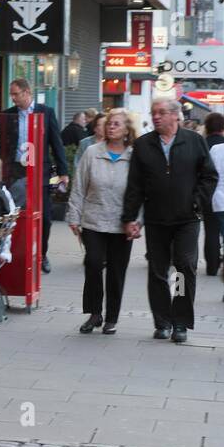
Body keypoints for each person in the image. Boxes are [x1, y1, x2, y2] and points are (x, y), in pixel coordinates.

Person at [121, 99, 219, 343]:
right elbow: (134, 186)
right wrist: (130, 218)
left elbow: (209, 176)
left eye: (162, 113)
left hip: (187, 218)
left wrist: (197, 201)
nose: (156, 117)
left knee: (184, 267)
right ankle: (162, 321)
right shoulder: (144, 144)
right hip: (156, 219)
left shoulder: (194, 141)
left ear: (175, 116)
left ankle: (180, 321)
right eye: (154, 113)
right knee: (157, 271)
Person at [68, 109, 140, 335]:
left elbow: (141, 192)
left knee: (117, 270)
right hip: (94, 220)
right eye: (109, 123)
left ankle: (112, 317)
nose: (111, 127)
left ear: (127, 129)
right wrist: (73, 215)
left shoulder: (134, 156)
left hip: (122, 222)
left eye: (117, 124)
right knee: (93, 263)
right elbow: (79, 186)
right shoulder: (92, 152)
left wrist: (138, 221)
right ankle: (94, 313)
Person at [0, 79, 69, 274]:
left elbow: (56, 143)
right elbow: (1, 144)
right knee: (15, 214)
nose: (13, 98)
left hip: (40, 172)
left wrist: (63, 172)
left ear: (27, 92)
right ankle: (17, 254)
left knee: (44, 217)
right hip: (16, 171)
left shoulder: (45, 112)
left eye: (16, 94)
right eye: (11, 94)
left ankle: (42, 254)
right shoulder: (8, 115)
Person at [203, 113, 224, 299]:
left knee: (216, 235)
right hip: (219, 200)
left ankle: (214, 268)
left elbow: (209, 174)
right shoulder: (219, 149)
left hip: (217, 200)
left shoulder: (217, 149)